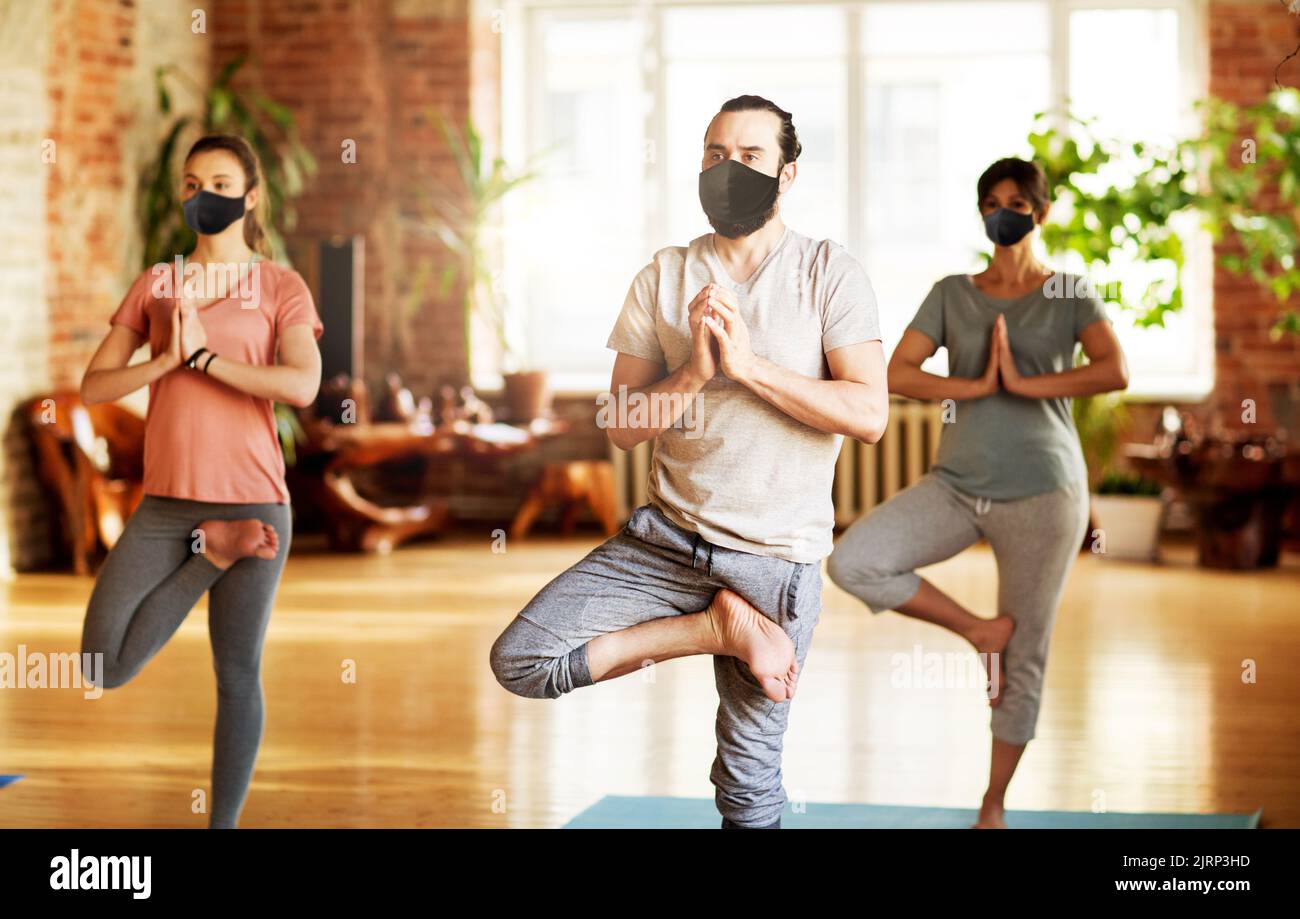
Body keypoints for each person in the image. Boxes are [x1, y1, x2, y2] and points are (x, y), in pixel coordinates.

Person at [490, 95, 888, 829]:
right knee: (521, 660)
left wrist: (747, 365)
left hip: (774, 564)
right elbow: (618, 426)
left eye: (749, 156)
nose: (726, 169)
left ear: (788, 173)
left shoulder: (829, 272)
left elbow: (869, 415)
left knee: (746, 783)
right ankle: (713, 627)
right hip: (665, 542)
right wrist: (695, 375)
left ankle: (736, 622)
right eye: (713, 154)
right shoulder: (662, 277)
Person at [826, 157, 1129, 829]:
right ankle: (975, 631)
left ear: (1040, 212)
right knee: (854, 559)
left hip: (1044, 494)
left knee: (1025, 654)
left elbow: (1114, 370)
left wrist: (1025, 385)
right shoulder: (951, 293)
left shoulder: (1069, 292)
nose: (1004, 211)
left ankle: (993, 804)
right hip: (957, 483)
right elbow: (898, 372)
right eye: (991, 200)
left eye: (1017, 201)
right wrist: (971, 385)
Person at [78, 134, 323, 828]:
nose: (201, 195)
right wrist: (166, 361)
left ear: (249, 197)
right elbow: (95, 385)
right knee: (101, 665)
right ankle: (212, 553)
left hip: (254, 502)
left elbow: (302, 384)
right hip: (167, 507)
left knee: (237, 673)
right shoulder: (158, 282)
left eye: (218, 182)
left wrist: (206, 360)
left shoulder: (280, 286)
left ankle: (222, 828)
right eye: (190, 183)